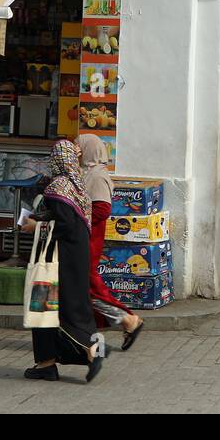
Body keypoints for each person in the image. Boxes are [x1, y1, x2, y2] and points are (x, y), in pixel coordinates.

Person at [24, 139, 103, 382]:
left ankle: (61, 358)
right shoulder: (76, 186)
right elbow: (71, 220)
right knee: (72, 308)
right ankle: (50, 362)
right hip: (75, 259)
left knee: (46, 308)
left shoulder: (57, 187)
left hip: (55, 263)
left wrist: (36, 225)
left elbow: (65, 225)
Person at [80, 134, 144, 350]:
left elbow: (102, 209)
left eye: (79, 147)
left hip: (89, 240)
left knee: (89, 286)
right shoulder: (88, 173)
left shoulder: (97, 176)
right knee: (86, 286)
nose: (76, 152)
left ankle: (128, 319)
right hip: (85, 237)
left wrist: (76, 215)